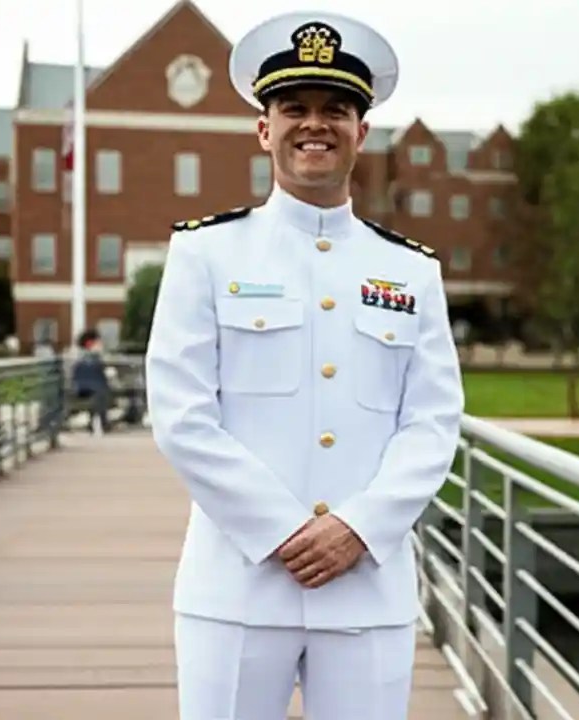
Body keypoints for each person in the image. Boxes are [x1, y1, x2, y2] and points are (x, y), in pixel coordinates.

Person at [146, 11, 464, 720]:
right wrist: (283, 531)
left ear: (361, 131)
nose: (314, 124)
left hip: (367, 590)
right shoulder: (206, 254)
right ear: (265, 128)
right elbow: (181, 414)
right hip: (235, 587)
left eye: (336, 110)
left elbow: (434, 421)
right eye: (294, 108)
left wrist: (358, 528)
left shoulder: (410, 271)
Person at [71, 329, 111, 433]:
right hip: (86, 387)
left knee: (100, 395)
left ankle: (100, 422)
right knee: (100, 396)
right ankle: (103, 422)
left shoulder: (94, 357)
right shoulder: (87, 358)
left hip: (94, 386)